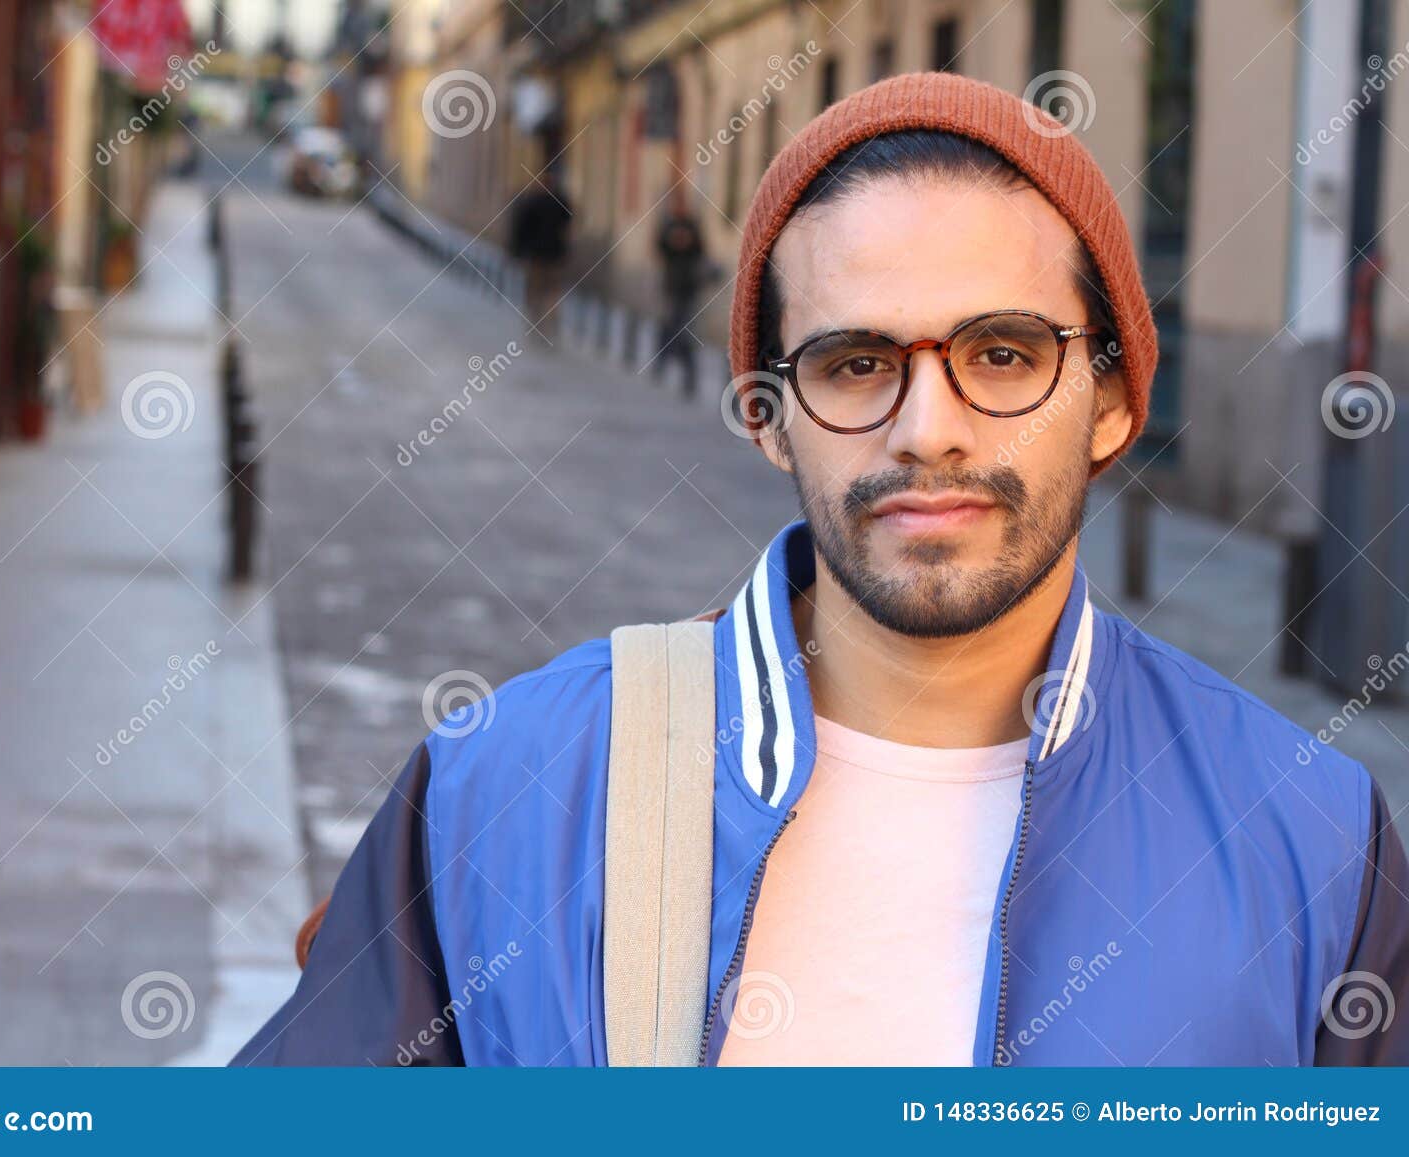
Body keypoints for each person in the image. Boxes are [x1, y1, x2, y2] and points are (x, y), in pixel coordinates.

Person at [234, 72, 1409, 1067]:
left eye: (1004, 354)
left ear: (1111, 400)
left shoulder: (1312, 840)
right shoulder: (500, 791)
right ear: (767, 415)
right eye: (855, 364)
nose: (927, 430)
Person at [654, 194, 711, 397]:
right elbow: (659, 247)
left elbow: (701, 250)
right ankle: (663, 361)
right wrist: (672, 241)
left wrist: (688, 241)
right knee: (668, 325)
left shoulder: (692, 226)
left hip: (689, 286)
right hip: (671, 285)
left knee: (684, 330)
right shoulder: (668, 225)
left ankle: (688, 372)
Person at [508, 169, 573, 344]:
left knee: (536, 293)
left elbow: (521, 230)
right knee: (552, 294)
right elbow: (569, 225)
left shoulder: (532, 202)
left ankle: (537, 327)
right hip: (555, 255)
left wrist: (517, 252)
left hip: (537, 256)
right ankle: (550, 330)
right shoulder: (561, 203)